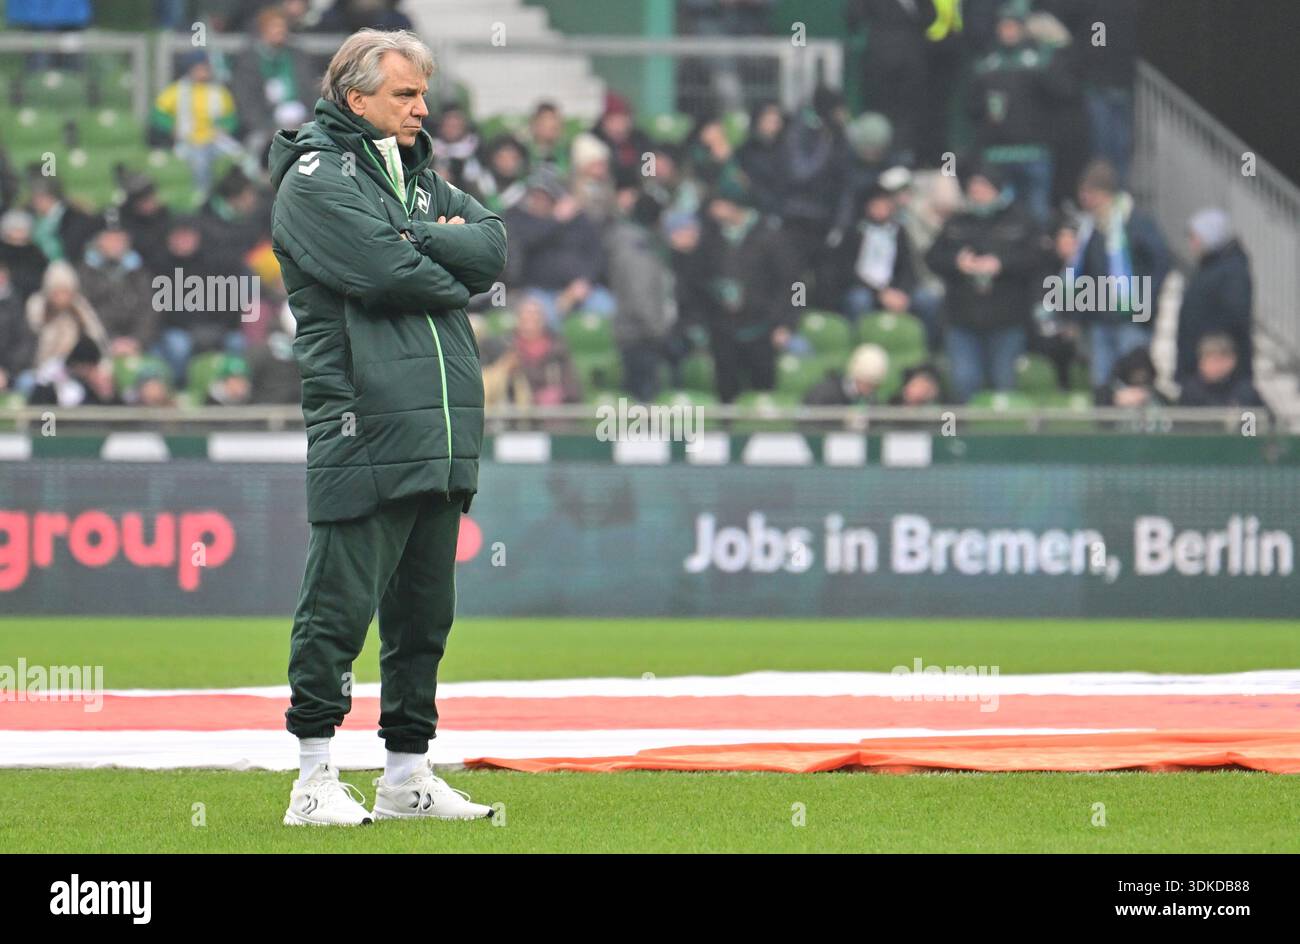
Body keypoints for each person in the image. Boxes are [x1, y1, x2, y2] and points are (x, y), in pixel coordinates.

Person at [268, 28, 506, 826]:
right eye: (406, 94)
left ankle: (406, 775)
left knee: (421, 616)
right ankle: (310, 780)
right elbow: (383, 271)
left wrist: (419, 240)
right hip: (363, 423)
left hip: (440, 430)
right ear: (355, 95)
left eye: (422, 93)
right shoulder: (313, 178)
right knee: (338, 606)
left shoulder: (417, 179)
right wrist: (440, 265)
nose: (422, 107)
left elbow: (494, 246)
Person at [926, 164, 1040, 402]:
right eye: (973, 188)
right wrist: (957, 262)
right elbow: (933, 257)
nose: (977, 193)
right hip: (963, 320)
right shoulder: (957, 223)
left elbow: (1036, 259)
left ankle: (1002, 436)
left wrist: (1001, 264)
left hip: (1007, 320)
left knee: (1004, 384)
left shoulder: (1021, 221)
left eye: (983, 187)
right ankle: (964, 437)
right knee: (965, 382)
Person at [1069, 159, 1170, 395]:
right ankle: (1106, 430)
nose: (1084, 198)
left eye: (1089, 192)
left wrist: (1145, 299)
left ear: (1104, 193)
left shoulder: (1136, 223)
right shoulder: (1089, 229)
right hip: (1099, 320)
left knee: (1133, 379)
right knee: (1101, 382)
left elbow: (1160, 262)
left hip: (1131, 319)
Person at [1176, 208, 1253, 385]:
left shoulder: (1232, 271)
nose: (1192, 243)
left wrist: (1214, 355)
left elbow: (1235, 316)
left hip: (1217, 372)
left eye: (1195, 237)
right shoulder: (1208, 268)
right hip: (1197, 367)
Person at [1177, 333, 1262, 408]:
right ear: (1201, 362)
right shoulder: (1190, 392)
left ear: (1232, 360)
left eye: (1220, 360)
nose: (1216, 366)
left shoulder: (1245, 391)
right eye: (1211, 360)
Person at [804, 343, 890, 406]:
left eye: (874, 385)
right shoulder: (825, 392)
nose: (870, 390)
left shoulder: (872, 400)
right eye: (868, 383)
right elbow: (810, 423)